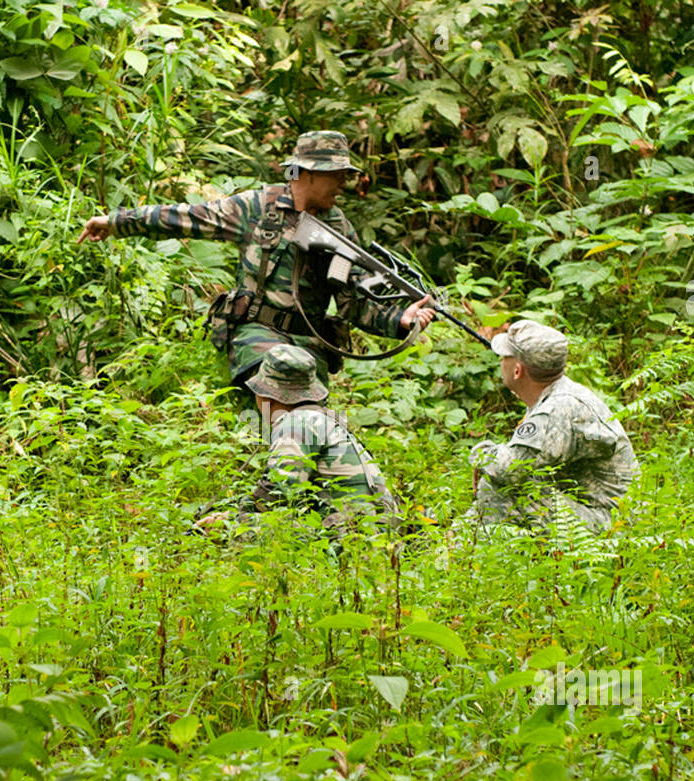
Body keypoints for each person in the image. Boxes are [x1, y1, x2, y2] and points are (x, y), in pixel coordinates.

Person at [77, 131, 435, 389]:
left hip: (308, 345)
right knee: (285, 403)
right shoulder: (255, 208)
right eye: (337, 174)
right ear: (307, 172)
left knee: (310, 430)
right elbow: (186, 217)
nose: (344, 183)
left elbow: (352, 301)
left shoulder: (339, 227)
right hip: (256, 336)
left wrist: (399, 319)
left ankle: (284, 488)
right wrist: (116, 222)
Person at [193, 344, 397, 535]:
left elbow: (278, 495)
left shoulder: (296, 424)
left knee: (237, 533)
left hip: (351, 539)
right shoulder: (323, 418)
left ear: (265, 394)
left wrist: (228, 522)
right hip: (375, 533)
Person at [465, 320, 637, 534]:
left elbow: (510, 469)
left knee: (504, 487)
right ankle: (456, 541)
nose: (501, 361)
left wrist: (480, 454)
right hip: (596, 509)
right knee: (517, 483)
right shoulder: (558, 394)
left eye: (505, 356)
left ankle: (470, 554)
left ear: (518, 370)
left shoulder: (557, 409)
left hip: (608, 521)